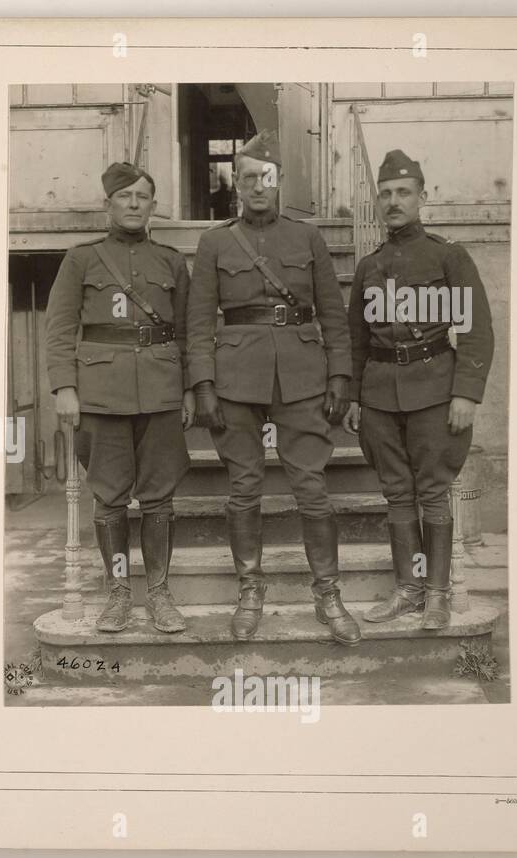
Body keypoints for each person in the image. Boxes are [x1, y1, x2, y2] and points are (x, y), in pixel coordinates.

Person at [185, 130, 361, 645]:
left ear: (278, 182)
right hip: (235, 379)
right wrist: (203, 385)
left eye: (266, 177)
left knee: (312, 488)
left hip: (304, 375)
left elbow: (333, 312)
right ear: (234, 184)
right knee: (244, 488)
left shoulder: (307, 239)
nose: (257, 186)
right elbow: (199, 321)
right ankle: (250, 591)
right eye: (246, 178)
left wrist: (339, 377)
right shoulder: (215, 242)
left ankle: (328, 594)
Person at [344, 149, 495, 630]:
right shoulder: (370, 266)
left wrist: (466, 393)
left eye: (403, 192)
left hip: (435, 389)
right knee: (396, 494)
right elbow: (357, 339)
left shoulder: (448, 255)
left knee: (432, 492)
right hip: (380, 395)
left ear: (422, 197)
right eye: (385, 194)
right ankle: (408, 590)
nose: (393, 201)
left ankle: (437, 594)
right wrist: (353, 398)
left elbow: (477, 330)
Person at [44, 161, 193, 633]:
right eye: (124, 197)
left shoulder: (170, 261)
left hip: (162, 390)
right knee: (109, 499)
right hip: (101, 395)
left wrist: (189, 388)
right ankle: (118, 593)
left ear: (153, 205)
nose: (134, 204)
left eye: (142, 197)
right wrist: (65, 388)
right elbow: (61, 328)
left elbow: (189, 331)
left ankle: (160, 594)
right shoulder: (81, 259)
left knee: (159, 499)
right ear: (107, 205)